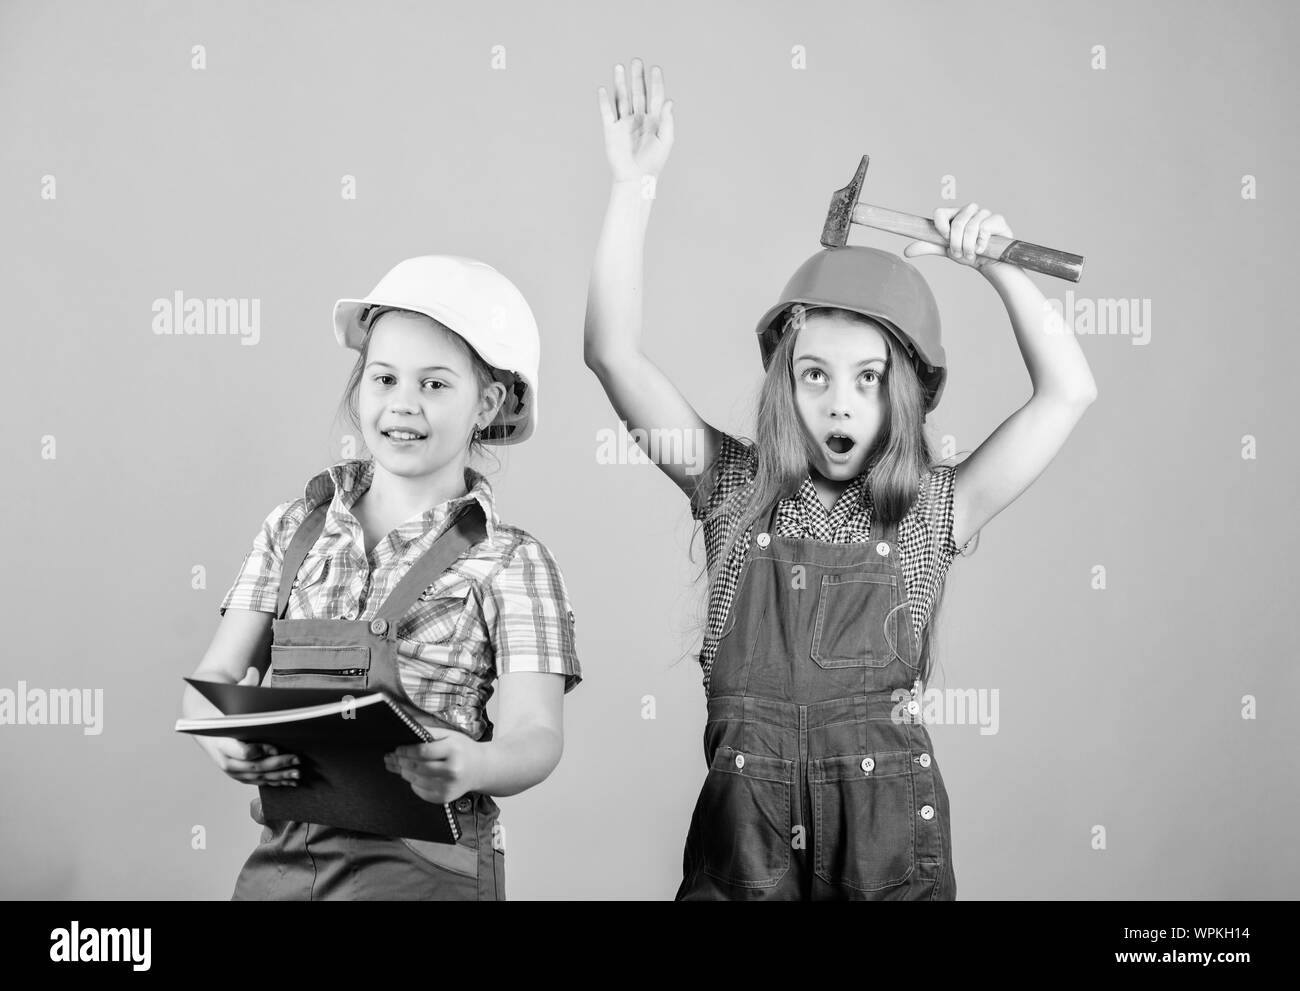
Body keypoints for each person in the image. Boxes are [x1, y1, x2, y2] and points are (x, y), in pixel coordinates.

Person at [584, 59, 1097, 900]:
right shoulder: (731, 487)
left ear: (906, 391)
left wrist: (999, 262)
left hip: (886, 857)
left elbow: (1069, 392)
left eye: (867, 377)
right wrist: (632, 186)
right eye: (813, 374)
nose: (838, 401)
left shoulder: (936, 508)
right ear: (783, 382)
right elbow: (611, 351)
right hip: (744, 850)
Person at [181, 255, 581, 900]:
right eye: (385, 378)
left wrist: (476, 763)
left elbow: (537, 736)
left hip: (426, 870)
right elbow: (213, 683)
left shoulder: (513, 561)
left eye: (434, 385)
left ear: (488, 403)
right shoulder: (293, 530)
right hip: (285, 864)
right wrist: (221, 738)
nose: (402, 405)